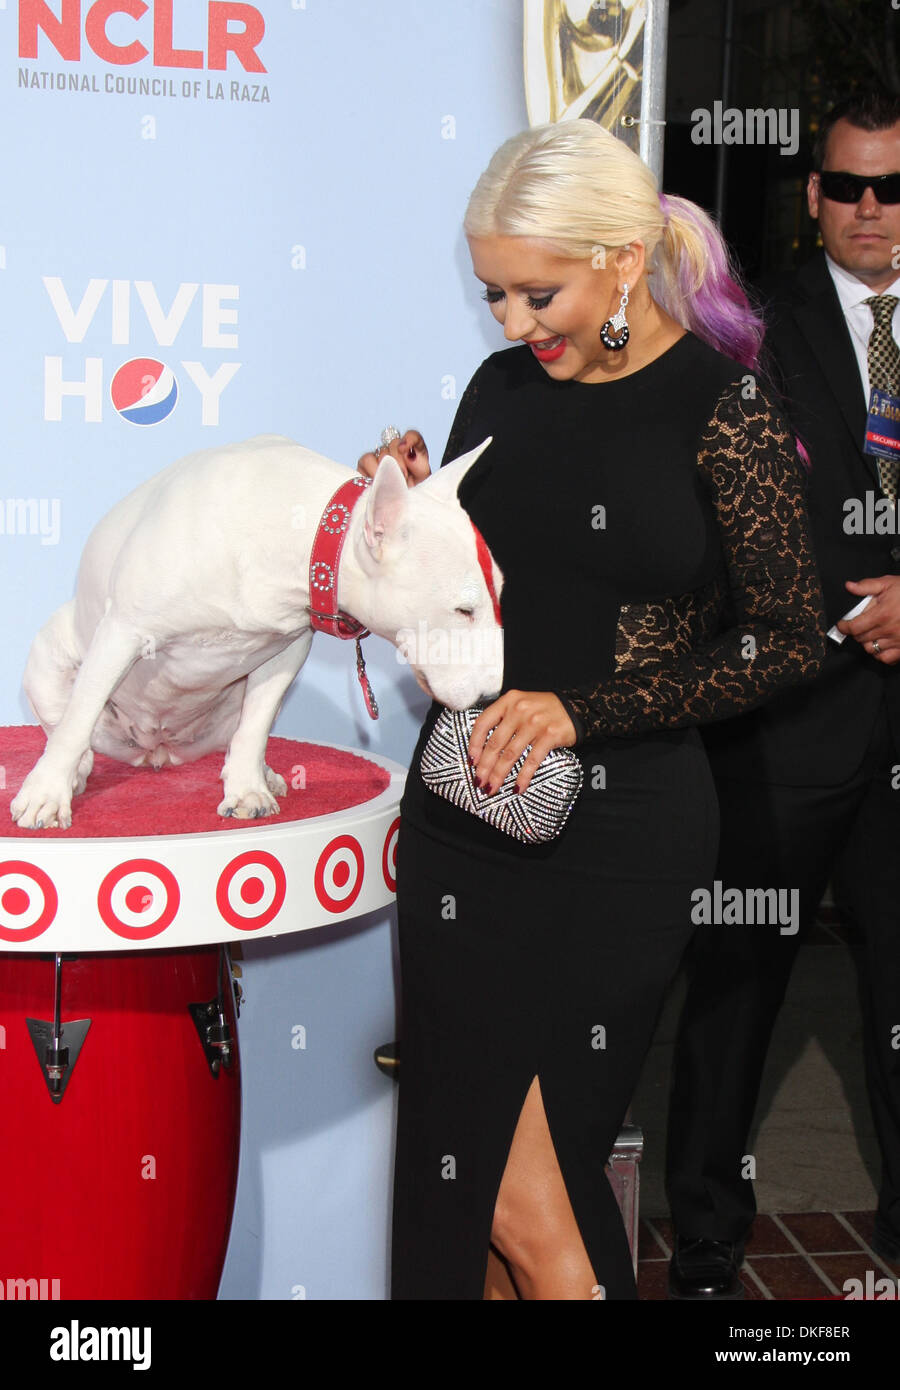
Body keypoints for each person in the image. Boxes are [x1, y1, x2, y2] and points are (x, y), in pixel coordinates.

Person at [359, 118, 826, 1301]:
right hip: (467, 809)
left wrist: (584, 710)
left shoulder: (728, 413)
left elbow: (783, 641)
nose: (511, 324)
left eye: (535, 292)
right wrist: (404, 520)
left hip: (622, 840)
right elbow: (469, 606)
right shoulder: (498, 389)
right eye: (494, 295)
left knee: (534, 1193)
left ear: (622, 257)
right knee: (466, 1191)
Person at [666, 90, 900, 1300]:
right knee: (738, 988)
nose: (870, 208)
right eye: (847, 186)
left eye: (891, 188)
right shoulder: (748, 330)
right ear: (812, 197)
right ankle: (704, 1239)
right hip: (791, 712)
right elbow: (725, 497)